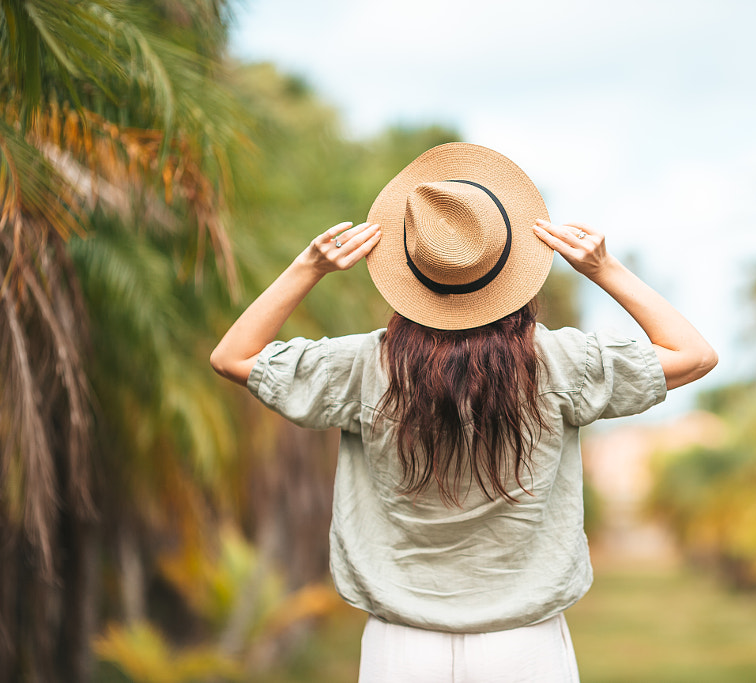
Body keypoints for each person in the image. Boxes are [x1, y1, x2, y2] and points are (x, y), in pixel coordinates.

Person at [210, 142, 718, 682]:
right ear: (511, 268)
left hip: (400, 647)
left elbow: (232, 356)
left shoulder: (364, 366)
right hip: (527, 647)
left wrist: (307, 268)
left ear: (408, 270)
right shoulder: (558, 364)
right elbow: (695, 354)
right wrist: (604, 268)